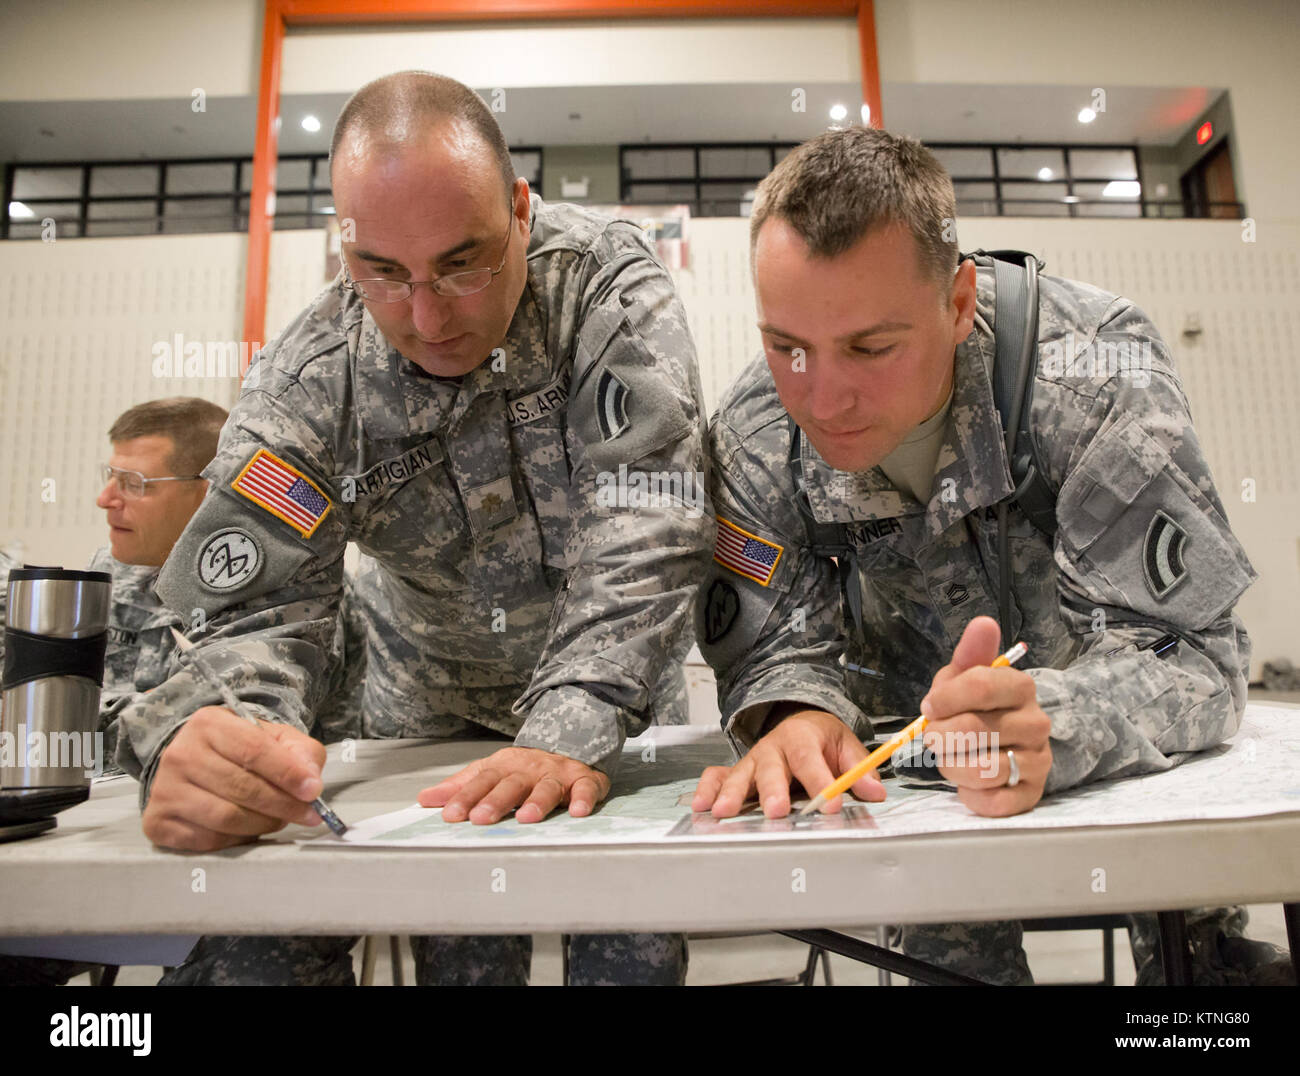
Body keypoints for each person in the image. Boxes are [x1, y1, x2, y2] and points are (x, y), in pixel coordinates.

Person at [118, 71, 712, 986]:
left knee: (627, 950)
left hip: (613, 701)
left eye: (463, 263)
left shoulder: (604, 289)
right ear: (344, 249)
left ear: (519, 207)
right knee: (461, 957)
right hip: (426, 718)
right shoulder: (311, 381)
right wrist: (218, 735)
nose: (429, 317)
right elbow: (253, 613)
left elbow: (652, 514)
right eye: (385, 274)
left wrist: (571, 722)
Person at [691, 126, 1290, 985]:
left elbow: (1190, 655)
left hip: (1105, 741)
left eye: (869, 346)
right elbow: (775, 646)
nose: (821, 397)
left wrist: (1062, 720)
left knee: (1203, 981)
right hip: (915, 772)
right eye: (787, 345)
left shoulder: (1090, 375)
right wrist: (796, 714)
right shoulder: (755, 431)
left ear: (961, 300)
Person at [0, 396, 226, 987]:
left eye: (134, 483)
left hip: (207, 864)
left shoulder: (266, 593)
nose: (107, 499)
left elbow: (213, 737)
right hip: (78, 844)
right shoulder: (102, 579)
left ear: (205, 492)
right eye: (110, 478)